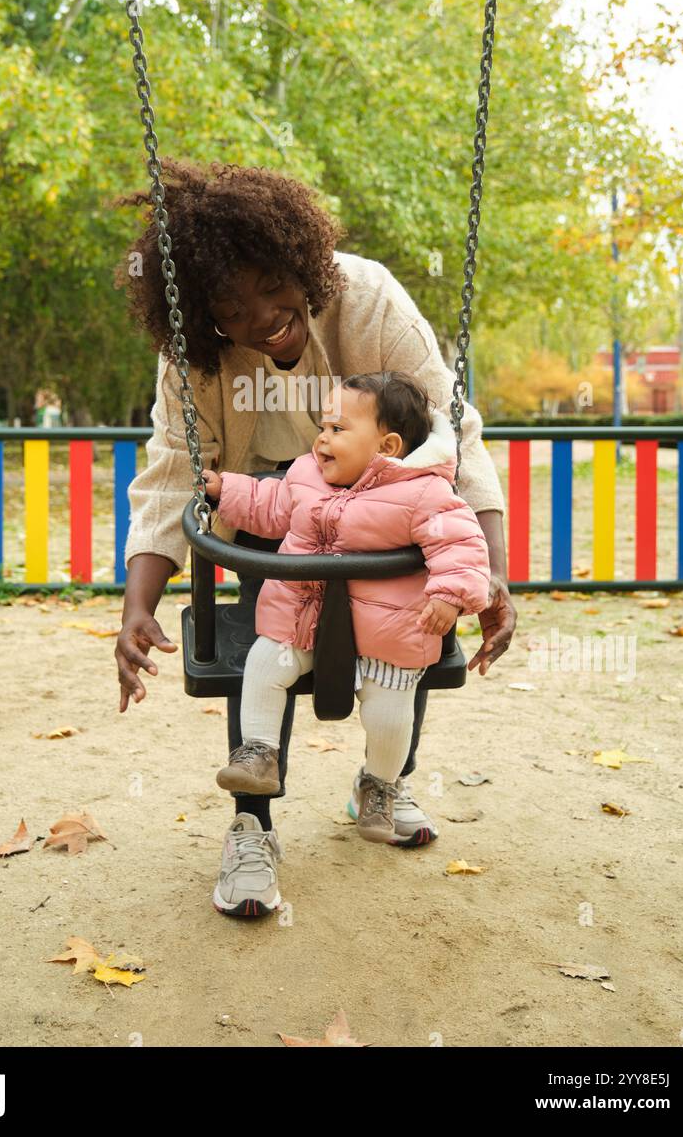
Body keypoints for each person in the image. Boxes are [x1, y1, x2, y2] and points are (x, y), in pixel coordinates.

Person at [113, 158, 516, 918]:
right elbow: (174, 470)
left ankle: (382, 786)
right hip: (277, 510)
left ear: (302, 262)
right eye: (230, 304)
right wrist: (139, 603)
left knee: (403, 634)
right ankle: (251, 829)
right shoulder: (194, 355)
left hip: (389, 506)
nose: (262, 314)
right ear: (203, 317)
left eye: (273, 284)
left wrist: (488, 573)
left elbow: (451, 432)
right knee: (265, 650)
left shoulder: (365, 302)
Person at [203, 373, 490, 886]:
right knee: (264, 664)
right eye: (322, 425)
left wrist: (450, 595)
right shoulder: (306, 474)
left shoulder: (424, 491)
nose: (322, 438)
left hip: (385, 632)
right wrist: (228, 491)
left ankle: (378, 785)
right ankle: (260, 753)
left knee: (390, 712)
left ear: (388, 446)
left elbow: (459, 544)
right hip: (301, 620)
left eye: (338, 427)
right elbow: (271, 508)